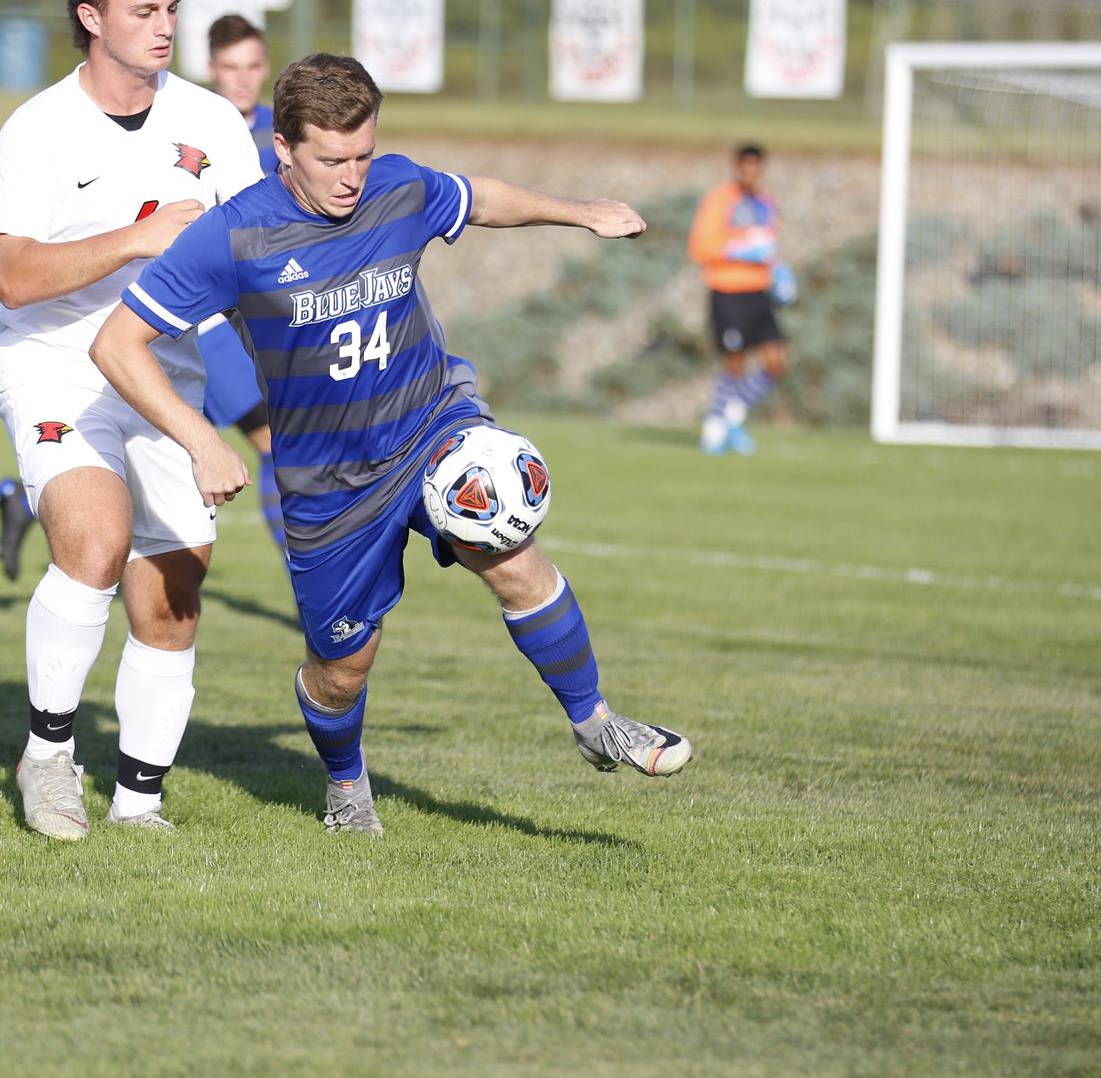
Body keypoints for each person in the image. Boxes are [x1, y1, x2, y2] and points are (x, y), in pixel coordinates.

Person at [92, 53, 693, 837]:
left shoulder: (397, 186)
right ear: (283, 147)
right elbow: (117, 343)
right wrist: (202, 440)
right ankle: (345, 783)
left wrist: (581, 211)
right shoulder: (233, 235)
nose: (352, 176)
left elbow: (479, 199)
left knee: (506, 538)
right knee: (343, 668)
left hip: (429, 424)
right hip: (327, 481)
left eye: (363, 154)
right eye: (332, 159)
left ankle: (596, 720)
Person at [0, 0, 262, 839]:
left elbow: (257, 257)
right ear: (90, 16)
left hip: (163, 376)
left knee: (172, 595)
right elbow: (15, 274)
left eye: (173, 7)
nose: (166, 25)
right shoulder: (38, 129)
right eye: (144, 9)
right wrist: (140, 237)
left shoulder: (213, 123)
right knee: (95, 545)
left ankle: (140, 800)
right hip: (57, 366)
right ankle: (49, 754)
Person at [195, 14, 285, 552]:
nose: (243, 78)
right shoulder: (191, 132)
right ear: (211, 69)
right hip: (208, 319)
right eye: (230, 67)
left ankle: (22, 501)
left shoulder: (286, 134)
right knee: (276, 443)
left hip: (262, 313)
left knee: (147, 452)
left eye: (252, 66)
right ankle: (312, 599)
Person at [686, 143, 791, 455]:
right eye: (745, 166)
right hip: (728, 291)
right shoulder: (720, 200)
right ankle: (714, 429)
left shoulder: (765, 203)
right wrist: (738, 252)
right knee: (735, 364)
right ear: (736, 167)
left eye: (755, 166)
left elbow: (768, 244)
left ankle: (730, 416)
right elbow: (700, 247)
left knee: (776, 362)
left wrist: (779, 271)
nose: (750, 172)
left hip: (758, 292)